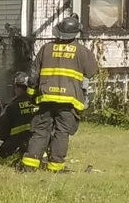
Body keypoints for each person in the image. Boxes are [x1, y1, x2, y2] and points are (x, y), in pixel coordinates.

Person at [21, 15, 98, 173]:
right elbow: (91, 72)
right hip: (69, 100)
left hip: (46, 98)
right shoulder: (82, 51)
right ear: (76, 33)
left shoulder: (46, 48)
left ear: (58, 32)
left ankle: (29, 165)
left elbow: (34, 75)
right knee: (62, 132)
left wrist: (31, 93)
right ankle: (55, 167)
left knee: (41, 130)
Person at [0, 73, 37, 163]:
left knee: (0, 159)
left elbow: (1, 132)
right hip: (38, 143)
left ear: (17, 88)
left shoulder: (11, 106)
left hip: (14, 143)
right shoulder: (41, 104)